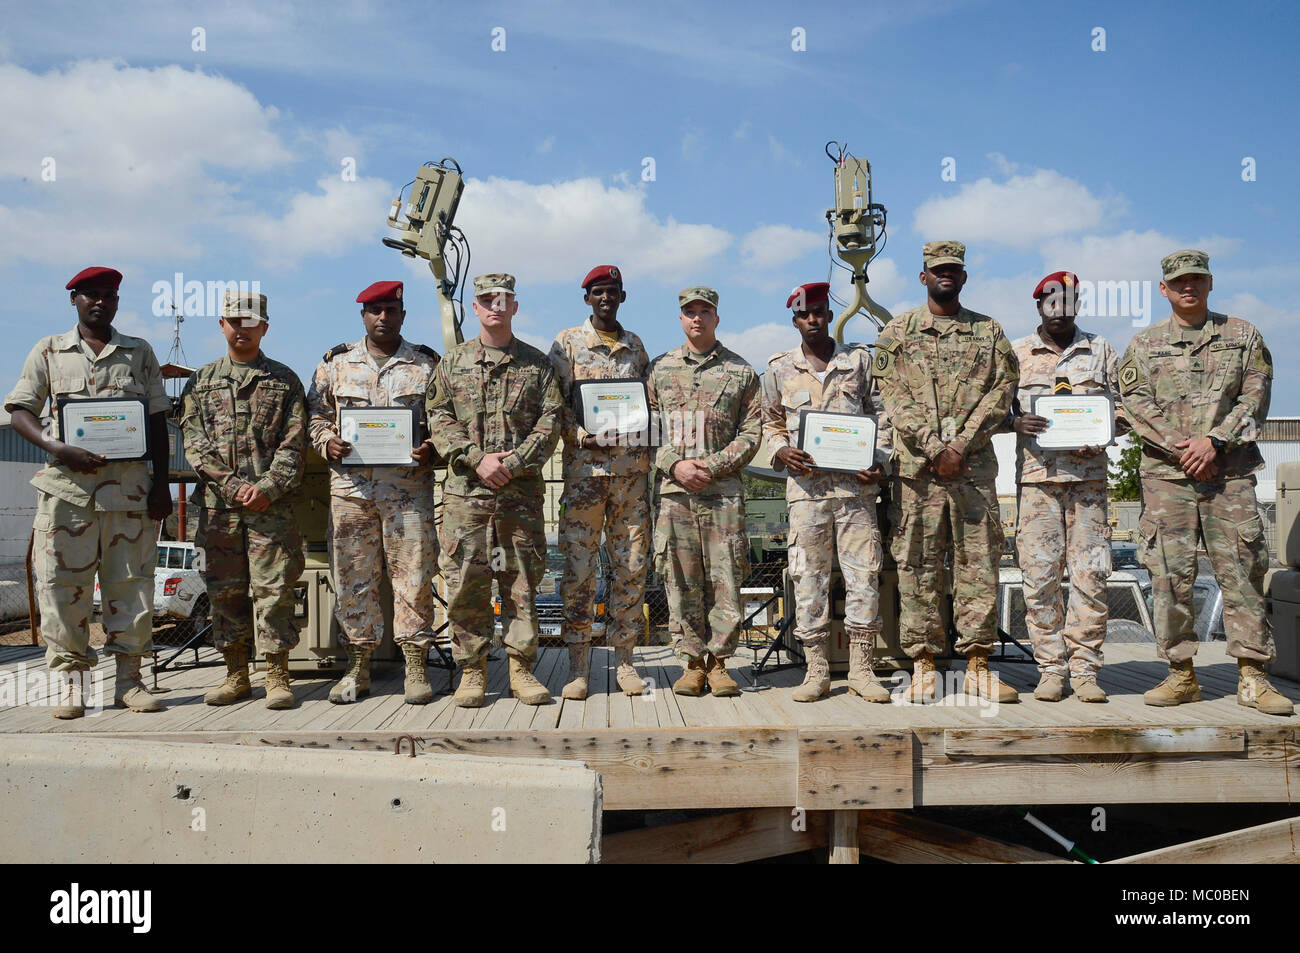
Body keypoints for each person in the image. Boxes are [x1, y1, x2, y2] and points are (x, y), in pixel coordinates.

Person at [1119, 249, 1291, 715]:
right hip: (1167, 480)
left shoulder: (1243, 335)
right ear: (1164, 290)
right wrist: (1185, 448)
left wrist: (1214, 442)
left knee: (1242, 572)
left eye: (1196, 279)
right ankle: (1181, 673)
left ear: (1210, 283)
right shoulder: (1143, 345)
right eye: (1178, 282)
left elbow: (1256, 399)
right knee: (1170, 575)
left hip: (1228, 475)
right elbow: (1136, 406)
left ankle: (1252, 675)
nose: (1187, 287)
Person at [5, 266, 172, 718]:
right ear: (74, 300)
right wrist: (57, 446)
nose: (100, 302)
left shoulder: (139, 352)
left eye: (109, 295)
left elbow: (157, 420)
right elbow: (20, 410)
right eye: (91, 295)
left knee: (133, 588)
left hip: (130, 496)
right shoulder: (49, 351)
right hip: (67, 493)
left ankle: (129, 683)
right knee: (63, 590)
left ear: (118, 301)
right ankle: (72, 685)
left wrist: (162, 486)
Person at [873, 241, 1020, 704]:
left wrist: (960, 445)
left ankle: (977, 663)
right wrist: (936, 447)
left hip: (972, 470)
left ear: (964, 275)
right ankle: (924, 664)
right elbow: (894, 399)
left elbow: (1003, 390)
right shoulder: (897, 333)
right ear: (923, 277)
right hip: (919, 473)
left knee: (979, 566)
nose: (946, 275)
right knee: (919, 565)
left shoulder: (989, 331)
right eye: (938, 270)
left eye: (954, 269)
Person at [426, 274, 562, 708]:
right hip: (467, 495)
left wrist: (516, 462)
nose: (496, 307)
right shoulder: (452, 363)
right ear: (476, 306)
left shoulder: (537, 366)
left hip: (518, 497)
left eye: (503, 300)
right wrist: (474, 456)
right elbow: (438, 416)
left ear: (515, 307)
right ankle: (472, 671)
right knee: (466, 581)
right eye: (487, 300)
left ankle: (521, 668)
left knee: (521, 582)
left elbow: (551, 420)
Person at [307, 281, 442, 705]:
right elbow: (315, 415)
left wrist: (433, 449)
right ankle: (358, 664)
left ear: (403, 314)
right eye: (374, 310)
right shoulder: (336, 363)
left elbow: (444, 418)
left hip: (408, 492)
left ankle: (416, 664)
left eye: (391, 309)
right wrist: (326, 440)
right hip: (352, 492)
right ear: (362, 315)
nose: (383, 317)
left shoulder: (426, 364)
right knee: (353, 579)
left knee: (414, 577)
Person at [763, 281, 893, 703]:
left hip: (856, 492)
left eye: (819, 312)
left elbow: (883, 414)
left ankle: (861, 669)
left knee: (863, 576)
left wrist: (881, 460)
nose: (813, 320)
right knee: (808, 578)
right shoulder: (779, 368)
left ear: (829, 315)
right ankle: (816, 669)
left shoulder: (858, 362)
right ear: (795, 320)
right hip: (807, 493)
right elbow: (769, 421)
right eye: (804, 314)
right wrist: (780, 449)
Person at [180, 291, 307, 710]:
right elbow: (194, 443)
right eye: (233, 321)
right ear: (221, 325)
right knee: (225, 593)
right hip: (220, 511)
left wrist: (267, 487)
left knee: (275, 591)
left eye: (250, 321)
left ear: (264, 327)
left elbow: (295, 443)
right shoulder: (201, 382)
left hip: (271, 510)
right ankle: (236, 674)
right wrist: (234, 487)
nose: (241, 328)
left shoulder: (285, 381)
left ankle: (276, 675)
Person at [1007, 271, 1123, 702]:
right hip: (1038, 483)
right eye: (1051, 302)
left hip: (1088, 485)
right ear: (1039, 306)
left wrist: (1109, 428)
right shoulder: (1017, 353)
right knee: (1040, 579)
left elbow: (1126, 406)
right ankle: (1051, 669)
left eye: (1068, 301)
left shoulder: (1101, 350)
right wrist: (1015, 421)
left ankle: (1086, 671)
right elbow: (996, 410)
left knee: (1092, 576)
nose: (1060, 310)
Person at [647, 286, 762, 696]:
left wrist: (710, 467)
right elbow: (648, 429)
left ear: (717, 317)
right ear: (680, 319)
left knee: (725, 578)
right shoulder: (660, 370)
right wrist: (675, 466)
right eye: (689, 312)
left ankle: (720, 663)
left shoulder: (741, 371)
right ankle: (692, 663)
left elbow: (752, 433)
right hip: (675, 495)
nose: (697, 318)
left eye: (704, 311)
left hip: (723, 494)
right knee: (680, 579)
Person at [547, 265, 651, 699]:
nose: (606, 298)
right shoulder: (567, 344)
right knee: (578, 571)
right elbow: (554, 406)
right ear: (586, 297)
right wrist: (582, 436)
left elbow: (646, 403)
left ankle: (625, 661)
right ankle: (578, 666)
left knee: (631, 568)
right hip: (585, 477)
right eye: (598, 292)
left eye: (612, 292)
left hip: (630, 477)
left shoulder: (636, 346)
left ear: (622, 298)